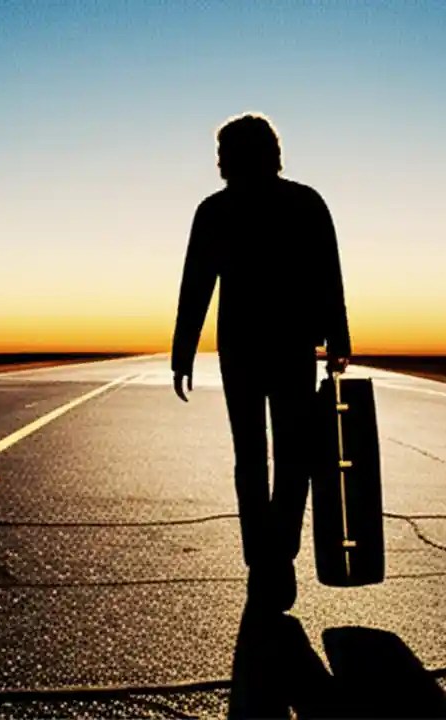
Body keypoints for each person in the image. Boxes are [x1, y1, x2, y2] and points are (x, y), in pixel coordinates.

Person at [172, 113, 351, 611]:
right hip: (280, 348)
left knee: (257, 456)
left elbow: (196, 288)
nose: (218, 161)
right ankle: (275, 556)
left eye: (224, 152)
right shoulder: (301, 203)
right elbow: (327, 278)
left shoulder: (224, 210)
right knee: (285, 456)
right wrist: (338, 338)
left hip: (255, 348)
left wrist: (183, 352)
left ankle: (266, 557)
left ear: (240, 156)